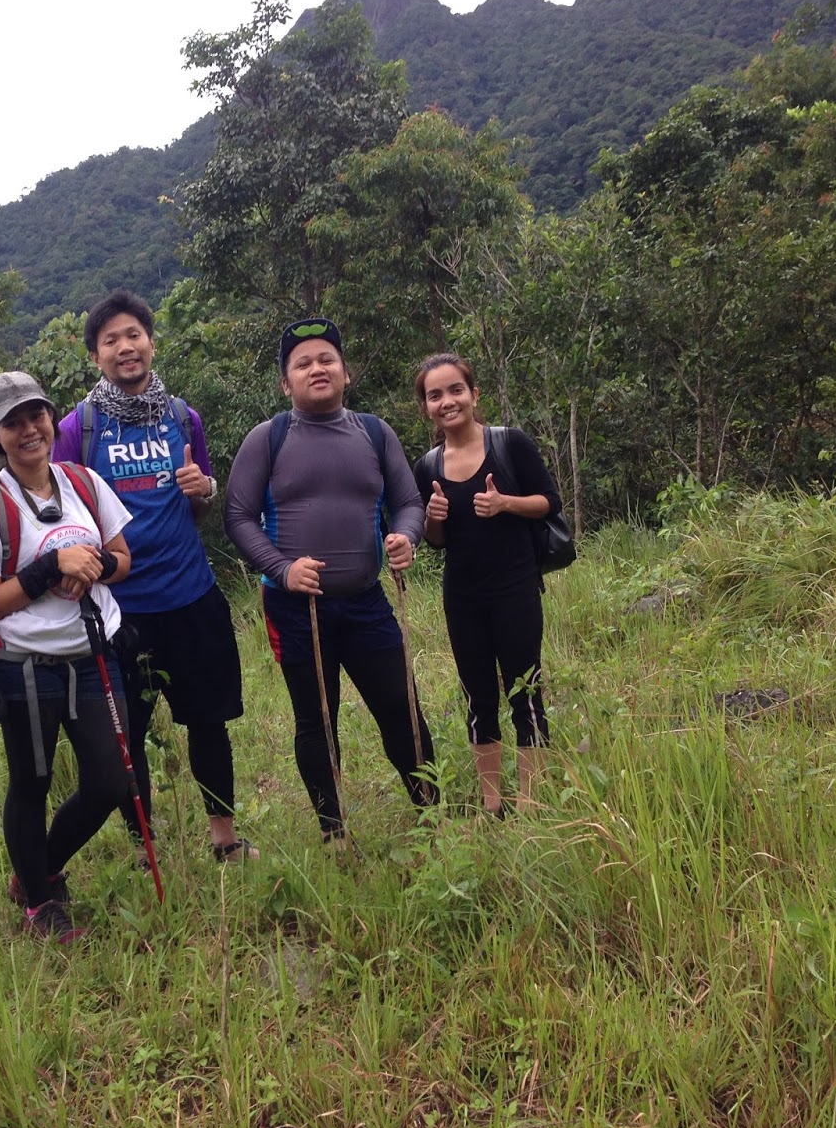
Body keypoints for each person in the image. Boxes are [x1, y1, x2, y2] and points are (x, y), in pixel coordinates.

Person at [52, 289, 256, 865]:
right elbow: (61, 515)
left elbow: (200, 503)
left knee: (208, 722)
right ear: (96, 356)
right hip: (119, 608)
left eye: (133, 334)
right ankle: (148, 846)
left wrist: (204, 492)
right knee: (127, 732)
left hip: (191, 595)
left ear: (151, 341)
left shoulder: (181, 416)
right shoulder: (77, 429)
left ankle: (225, 838)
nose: (125, 347)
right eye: (110, 340)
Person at [223, 317, 437, 845]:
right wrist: (282, 568)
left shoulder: (373, 431)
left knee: (401, 709)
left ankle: (435, 817)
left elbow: (407, 502)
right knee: (316, 719)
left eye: (327, 360)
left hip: (367, 602)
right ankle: (333, 831)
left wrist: (406, 536)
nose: (317, 368)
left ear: (345, 373)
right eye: (303, 363)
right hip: (297, 610)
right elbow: (238, 516)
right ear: (285, 382)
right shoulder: (267, 439)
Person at [0, 370, 132, 942]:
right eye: (13, 422)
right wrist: (51, 567)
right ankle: (40, 901)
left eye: (36, 416)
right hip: (24, 665)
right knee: (32, 782)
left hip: (91, 652)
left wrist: (92, 567)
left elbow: (122, 558)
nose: (29, 429)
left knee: (111, 780)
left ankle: (40, 865)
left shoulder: (82, 482)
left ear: (51, 420)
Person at [411, 353, 559, 816]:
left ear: (474, 395)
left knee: (525, 690)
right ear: (426, 408)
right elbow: (436, 543)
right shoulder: (427, 466)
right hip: (463, 595)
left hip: (515, 587)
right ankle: (494, 803)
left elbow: (548, 503)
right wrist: (433, 521)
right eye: (435, 395)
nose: (447, 401)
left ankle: (532, 802)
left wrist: (505, 503)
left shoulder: (509, 444)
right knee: (479, 696)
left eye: (456, 390)